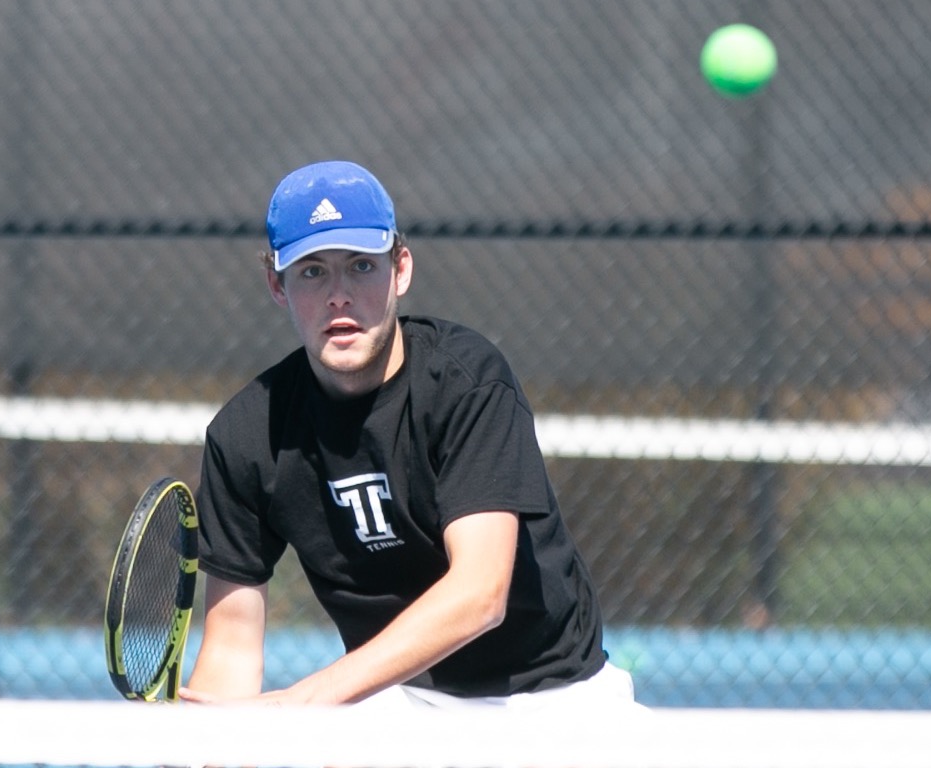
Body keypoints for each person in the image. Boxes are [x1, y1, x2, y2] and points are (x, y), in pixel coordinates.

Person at [180, 160, 638, 711]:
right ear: (276, 285)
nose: (338, 295)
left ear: (400, 270)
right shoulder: (246, 435)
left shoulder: (467, 383)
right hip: (399, 701)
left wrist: (302, 704)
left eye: (360, 266)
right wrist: (205, 746)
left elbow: (480, 595)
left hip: (553, 700)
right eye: (311, 272)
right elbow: (230, 653)